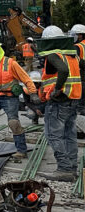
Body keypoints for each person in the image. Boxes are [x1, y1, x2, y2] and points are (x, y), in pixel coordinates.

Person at [36, 25, 82, 180]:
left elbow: (62, 70)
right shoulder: (72, 55)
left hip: (59, 101)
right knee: (69, 135)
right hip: (73, 99)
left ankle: (63, 168)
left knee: (54, 135)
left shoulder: (54, 55)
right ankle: (72, 168)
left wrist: (56, 89)